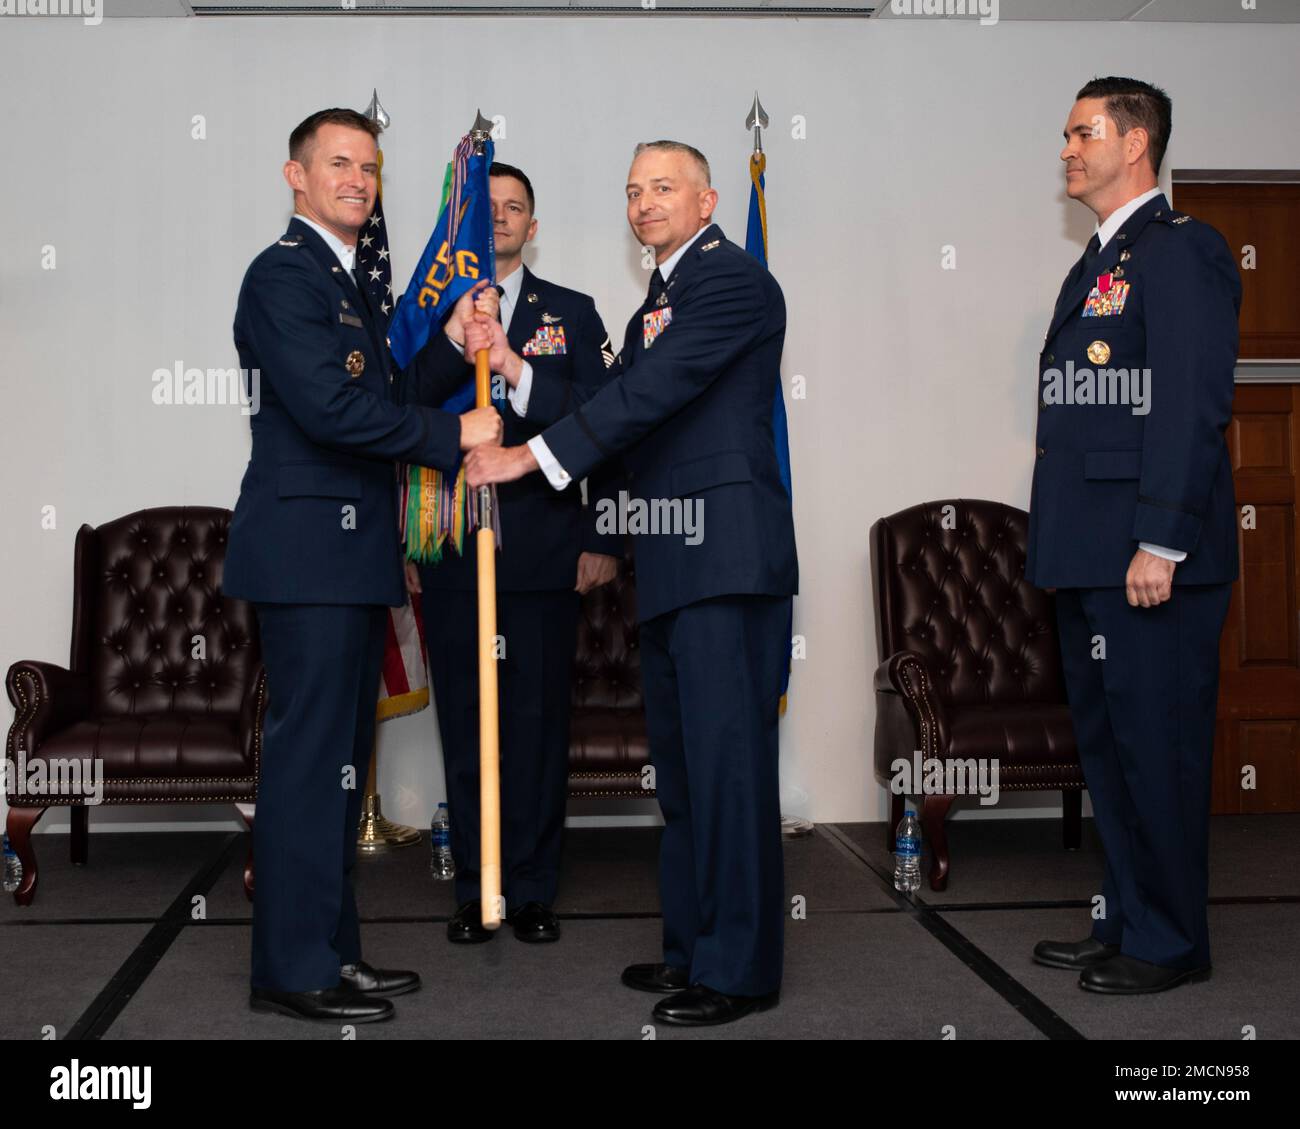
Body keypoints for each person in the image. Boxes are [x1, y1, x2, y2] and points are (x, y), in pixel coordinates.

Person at [464, 140, 797, 1026]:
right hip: (675, 563)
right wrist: (512, 370)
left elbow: (640, 400)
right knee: (685, 775)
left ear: (708, 198)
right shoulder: (662, 295)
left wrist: (522, 457)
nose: (643, 203)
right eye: (632, 190)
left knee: (728, 773)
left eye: (662, 188)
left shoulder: (732, 281)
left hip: (726, 558)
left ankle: (739, 970)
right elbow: (612, 395)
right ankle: (693, 947)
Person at [223, 108, 502, 1024]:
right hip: (308, 554)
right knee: (309, 766)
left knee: (339, 768)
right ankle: (290, 968)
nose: (357, 178)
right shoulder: (281, 275)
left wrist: (455, 351)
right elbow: (329, 412)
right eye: (338, 163)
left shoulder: (344, 283)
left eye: (370, 166)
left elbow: (381, 395)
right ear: (294, 175)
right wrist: (452, 431)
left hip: (346, 557)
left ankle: (333, 952)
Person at [1026, 78, 1241, 994]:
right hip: (1089, 553)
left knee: (1159, 751)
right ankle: (1123, 918)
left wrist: (1161, 539)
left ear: (1137, 141)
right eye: (1067, 134)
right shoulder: (1099, 261)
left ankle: (1170, 942)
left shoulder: (1181, 250)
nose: (1067, 148)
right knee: (1109, 751)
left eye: (1084, 132)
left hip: (1147, 558)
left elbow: (1190, 403)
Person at [402, 162, 621, 944]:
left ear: (533, 226)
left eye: (513, 207)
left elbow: (605, 419)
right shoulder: (432, 307)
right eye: (485, 206)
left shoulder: (572, 311)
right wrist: (458, 343)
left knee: (534, 724)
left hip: (541, 548)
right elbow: (397, 411)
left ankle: (530, 887)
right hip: (454, 550)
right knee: (465, 722)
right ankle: (476, 885)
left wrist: (603, 537)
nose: (497, 217)